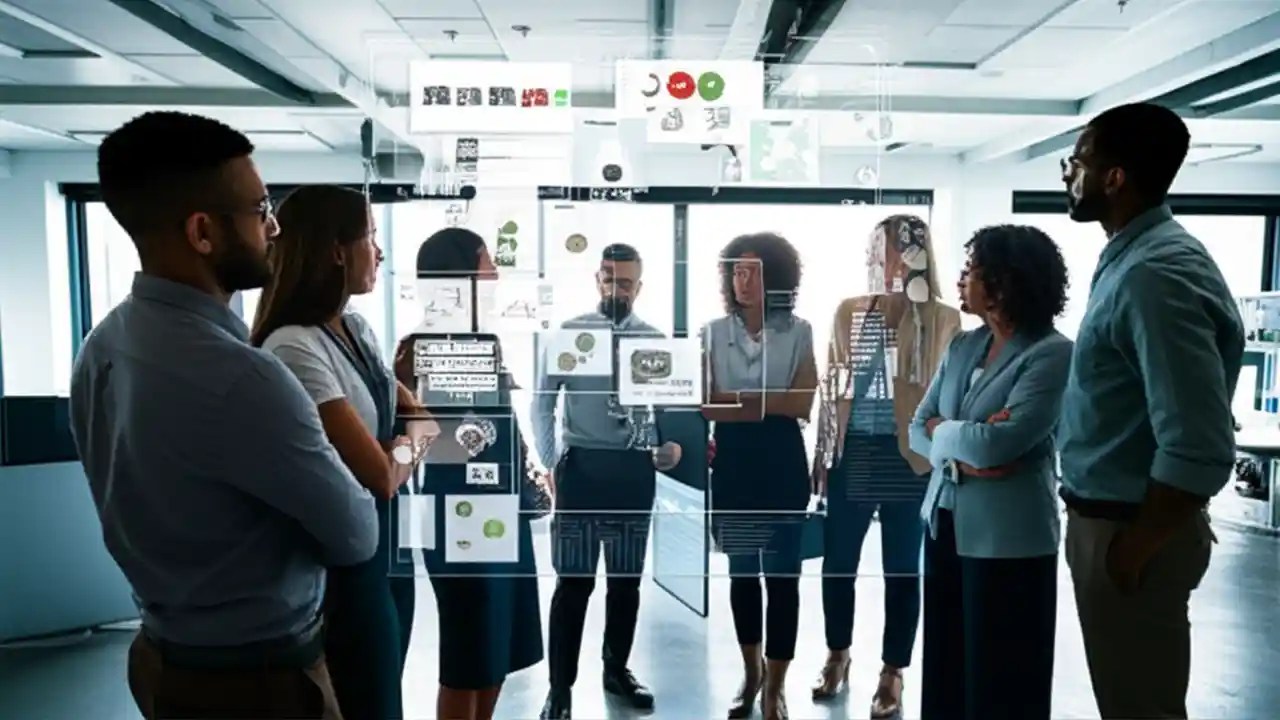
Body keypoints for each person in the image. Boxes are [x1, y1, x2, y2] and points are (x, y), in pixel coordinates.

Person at [68, 111, 378, 719]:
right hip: (259, 682)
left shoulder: (103, 343)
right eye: (262, 209)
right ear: (203, 232)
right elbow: (356, 534)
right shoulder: (245, 376)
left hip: (162, 656)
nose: (276, 228)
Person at [1057, 102, 1243, 719]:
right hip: (1116, 520)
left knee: (1141, 708)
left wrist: (1133, 550)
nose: (1068, 174)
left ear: (1114, 177)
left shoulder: (1154, 274)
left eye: (1077, 161)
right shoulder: (1133, 257)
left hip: (1129, 527)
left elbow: (1197, 443)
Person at [251, 185, 425, 720]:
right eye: (370, 237)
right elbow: (380, 476)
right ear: (335, 251)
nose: (379, 250)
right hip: (344, 570)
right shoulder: (294, 345)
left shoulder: (356, 329)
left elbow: (417, 418)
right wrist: (404, 447)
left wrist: (402, 444)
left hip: (390, 555)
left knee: (384, 695)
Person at [910, 225, 1072, 720]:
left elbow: (999, 442)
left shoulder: (1052, 353)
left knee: (1004, 682)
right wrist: (964, 442)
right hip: (945, 524)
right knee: (944, 671)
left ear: (1003, 283)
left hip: (1010, 541)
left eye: (970, 271)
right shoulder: (964, 345)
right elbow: (918, 429)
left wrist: (949, 435)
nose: (960, 281)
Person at [810, 215, 960, 717]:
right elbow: (832, 388)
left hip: (909, 457)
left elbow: (945, 396)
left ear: (915, 255)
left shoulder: (942, 318)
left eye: (892, 250)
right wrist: (823, 453)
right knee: (838, 565)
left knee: (902, 569)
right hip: (854, 453)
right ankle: (837, 653)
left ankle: (893, 670)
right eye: (876, 250)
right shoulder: (850, 310)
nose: (881, 260)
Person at [398, 227, 545, 720]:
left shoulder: (485, 340)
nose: (495, 273)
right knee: (469, 650)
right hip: (460, 517)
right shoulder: (420, 346)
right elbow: (427, 443)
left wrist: (528, 472)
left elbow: (500, 423)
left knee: (498, 646)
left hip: (501, 509)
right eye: (486, 263)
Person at [531, 243, 682, 719]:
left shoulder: (654, 340)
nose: (617, 289)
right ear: (597, 279)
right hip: (582, 473)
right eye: (609, 279)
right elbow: (542, 402)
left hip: (633, 474)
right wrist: (554, 460)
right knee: (573, 583)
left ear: (639, 286)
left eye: (626, 282)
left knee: (625, 584)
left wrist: (668, 445)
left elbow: (667, 409)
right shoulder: (571, 335)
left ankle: (615, 671)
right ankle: (560, 689)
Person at [703, 232, 818, 720]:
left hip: (782, 461)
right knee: (742, 575)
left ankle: (776, 685)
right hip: (734, 464)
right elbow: (707, 403)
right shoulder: (711, 331)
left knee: (784, 579)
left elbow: (804, 402)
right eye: (736, 270)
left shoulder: (800, 330)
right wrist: (771, 402)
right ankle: (751, 674)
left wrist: (741, 404)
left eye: (752, 270)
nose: (742, 279)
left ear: (778, 277)